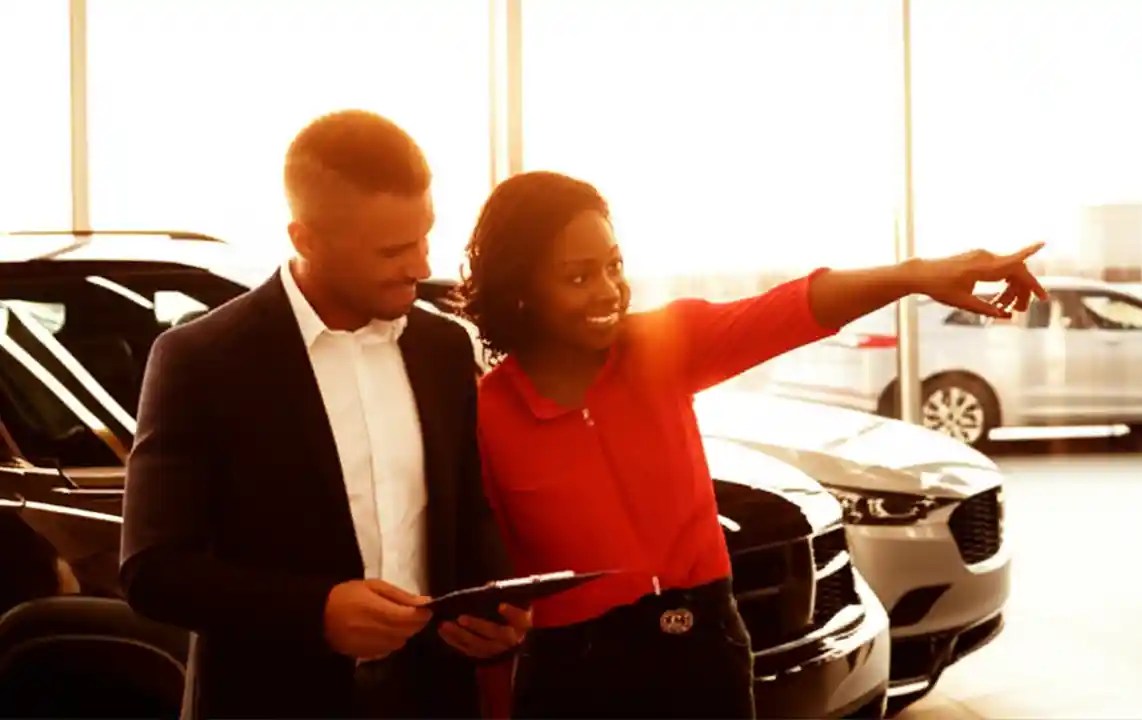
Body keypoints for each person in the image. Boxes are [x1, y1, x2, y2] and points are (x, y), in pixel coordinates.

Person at [456, 170, 1046, 719]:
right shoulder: (485, 414)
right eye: (578, 277)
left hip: (706, 650)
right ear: (519, 290)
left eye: (614, 265)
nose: (609, 290)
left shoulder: (666, 345)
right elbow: (482, 577)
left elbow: (795, 307)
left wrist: (917, 275)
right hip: (573, 679)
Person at [120, 109, 530, 719]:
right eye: (393, 249)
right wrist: (316, 612)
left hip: (432, 697)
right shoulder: (201, 359)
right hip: (272, 699)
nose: (421, 265)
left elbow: (466, 508)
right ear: (306, 239)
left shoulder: (443, 348)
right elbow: (153, 569)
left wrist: (495, 608)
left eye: (424, 236)